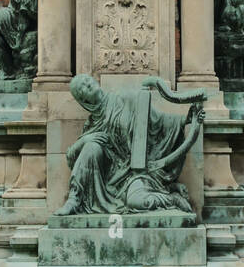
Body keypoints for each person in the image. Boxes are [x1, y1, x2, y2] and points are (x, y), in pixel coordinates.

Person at [56, 74, 202, 215]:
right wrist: (84, 140)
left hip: (135, 173)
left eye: (87, 79)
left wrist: (187, 120)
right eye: (82, 87)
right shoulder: (92, 124)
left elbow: (157, 121)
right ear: (83, 100)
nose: (87, 83)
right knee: (91, 147)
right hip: (111, 178)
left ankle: (172, 198)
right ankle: (73, 200)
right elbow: (72, 159)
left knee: (136, 202)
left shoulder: (125, 99)